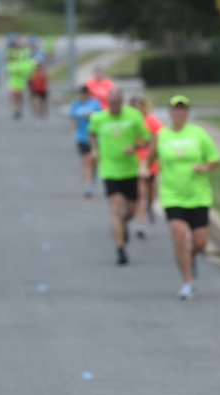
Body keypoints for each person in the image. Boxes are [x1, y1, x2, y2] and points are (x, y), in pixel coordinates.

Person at [156, 95, 220, 300]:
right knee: (181, 237)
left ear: (187, 113)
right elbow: (150, 156)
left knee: (200, 243)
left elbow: (215, 159)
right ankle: (188, 282)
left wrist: (205, 167)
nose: (179, 113)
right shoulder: (162, 135)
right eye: (176, 109)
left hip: (199, 195)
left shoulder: (198, 134)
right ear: (170, 112)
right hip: (172, 194)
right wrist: (144, 171)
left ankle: (189, 260)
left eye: (183, 109)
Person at [88, 88, 152, 265]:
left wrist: (136, 148)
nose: (115, 107)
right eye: (112, 103)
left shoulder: (133, 116)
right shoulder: (99, 118)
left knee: (130, 210)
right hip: (110, 170)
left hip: (130, 170)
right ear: (108, 103)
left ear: (122, 102)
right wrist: (94, 149)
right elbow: (92, 132)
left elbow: (147, 139)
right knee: (115, 207)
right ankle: (120, 248)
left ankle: (122, 226)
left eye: (118, 103)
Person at [129, 95, 164, 238]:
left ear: (144, 107)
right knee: (140, 194)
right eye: (134, 106)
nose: (137, 108)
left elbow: (161, 136)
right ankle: (141, 224)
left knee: (150, 194)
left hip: (151, 161)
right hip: (135, 162)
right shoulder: (129, 121)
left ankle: (149, 206)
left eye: (140, 105)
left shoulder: (151, 120)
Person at [70, 86, 103, 198]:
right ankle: (87, 186)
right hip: (82, 137)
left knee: (94, 161)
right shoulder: (76, 105)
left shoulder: (95, 104)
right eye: (82, 94)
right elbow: (73, 118)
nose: (84, 96)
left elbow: (101, 117)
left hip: (95, 137)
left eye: (86, 94)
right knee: (86, 161)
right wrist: (73, 128)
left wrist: (92, 116)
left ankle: (92, 176)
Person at [6, 46, 35, 120]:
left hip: (22, 83)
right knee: (14, 97)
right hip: (14, 83)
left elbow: (27, 71)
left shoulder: (24, 63)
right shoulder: (12, 63)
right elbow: (9, 71)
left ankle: (20, 108)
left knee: (20, 97)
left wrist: (19, 71)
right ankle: (16, 110)